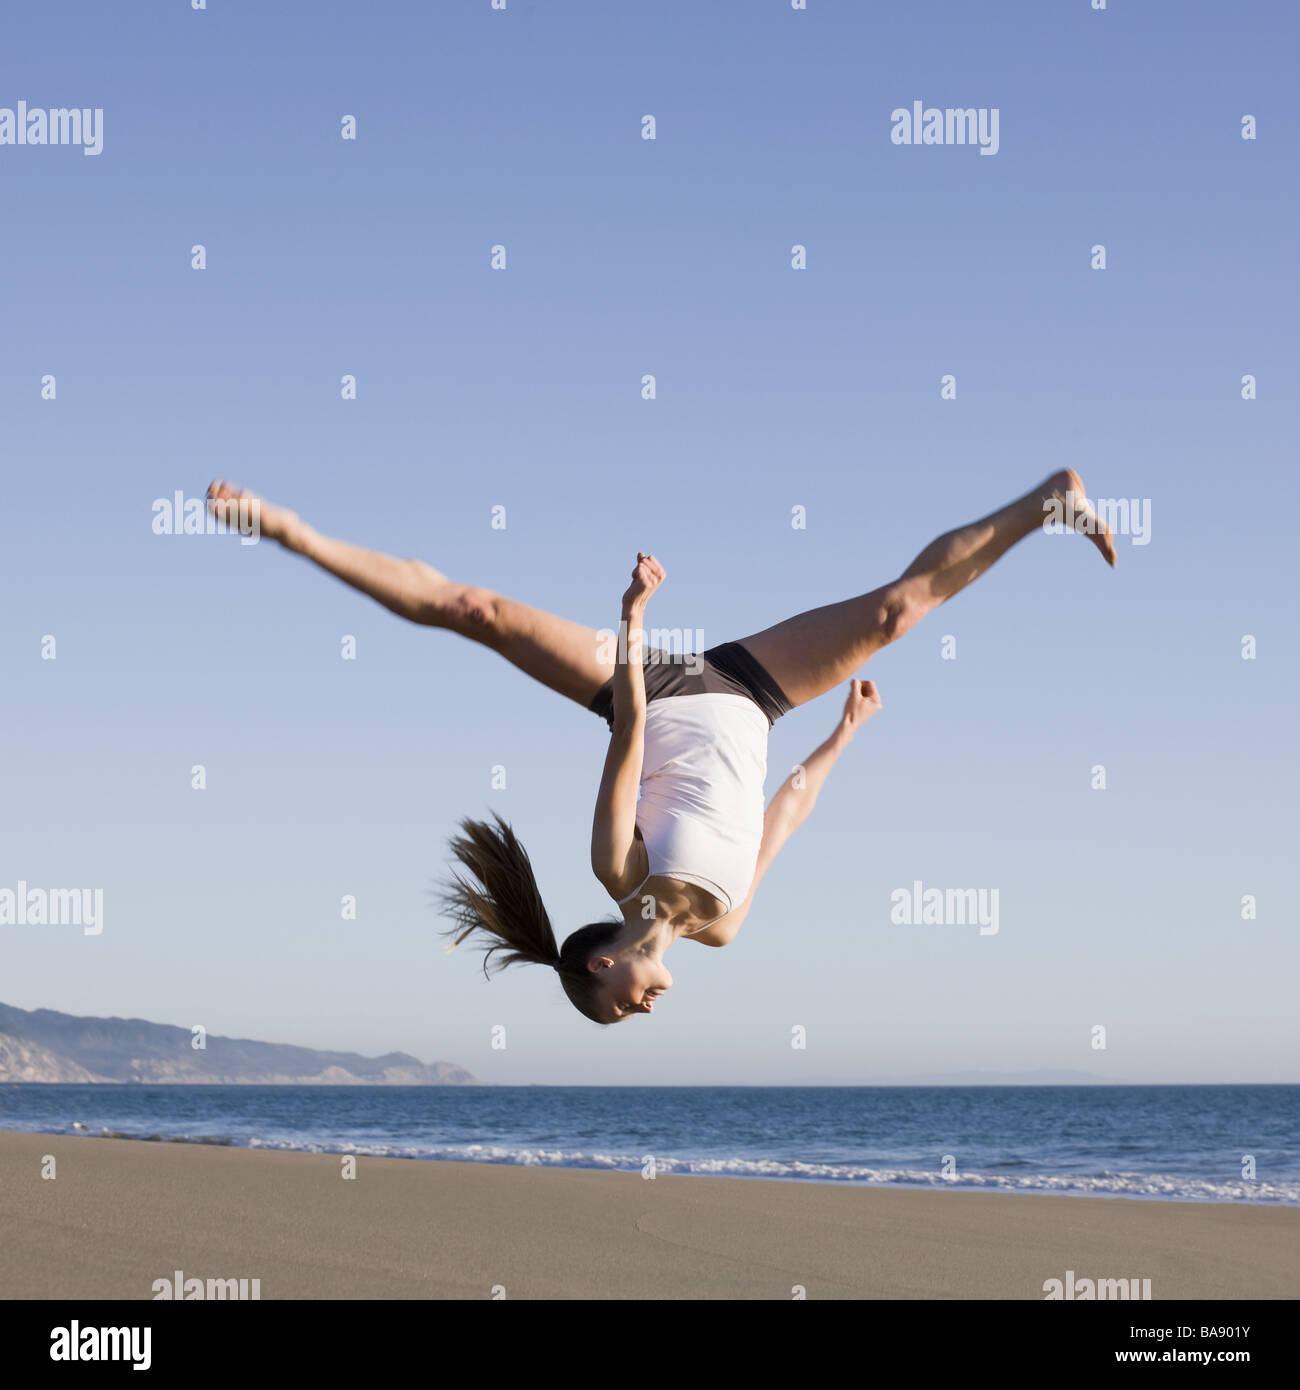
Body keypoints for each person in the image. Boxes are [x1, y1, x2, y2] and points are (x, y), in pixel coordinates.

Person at [206, 470, 1114, 1024]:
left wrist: (633, 621)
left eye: (615, 1005)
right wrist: (844, 735)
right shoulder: (722, 927)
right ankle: (1048, 503)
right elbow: (784, 816)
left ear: (602, 961)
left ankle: (286, 528)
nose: (640, 1008)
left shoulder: (616, 868)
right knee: (896, 613)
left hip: (655, 684)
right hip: (757, 697)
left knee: (472, 612)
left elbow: (633, 729)